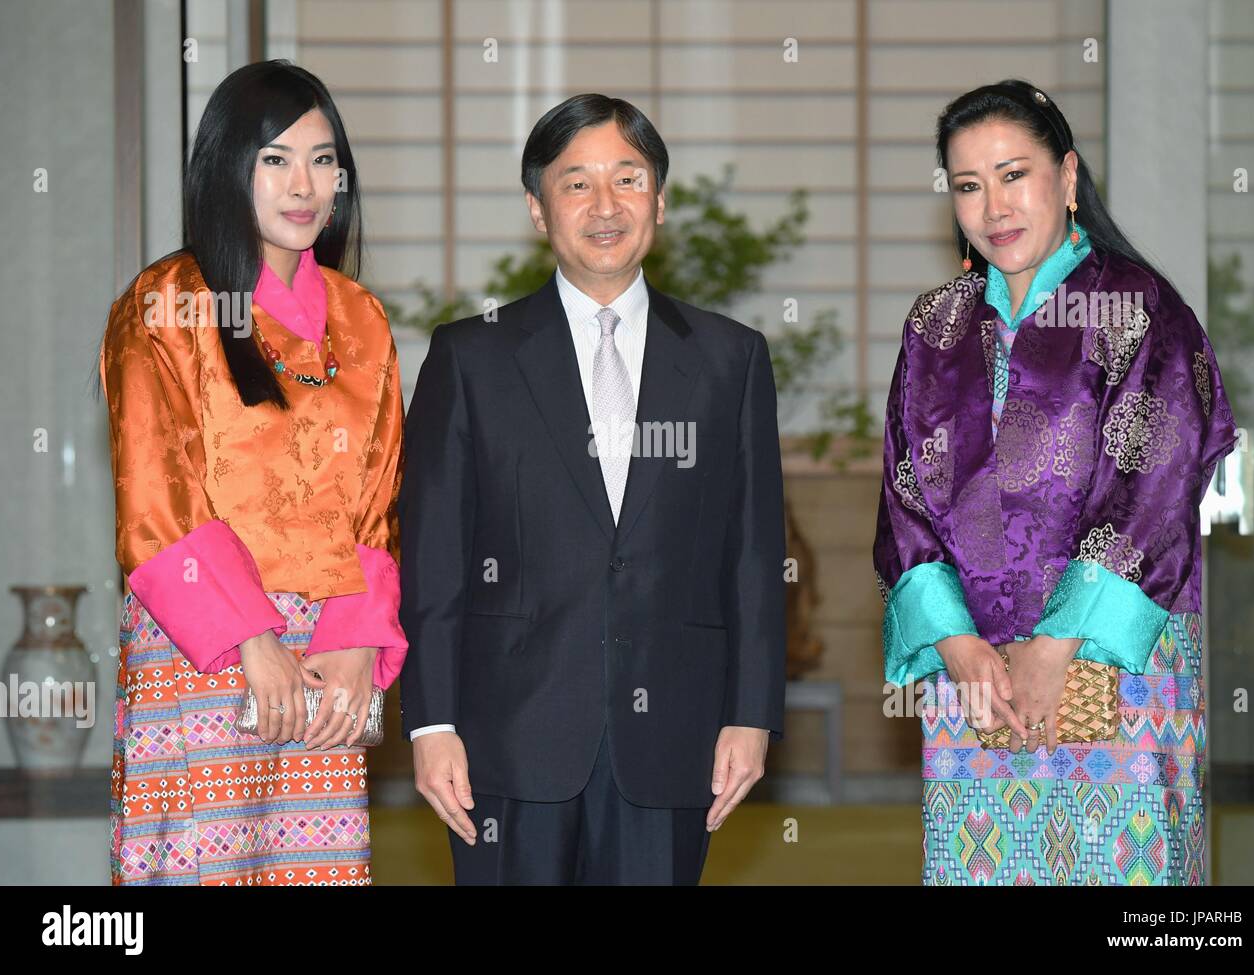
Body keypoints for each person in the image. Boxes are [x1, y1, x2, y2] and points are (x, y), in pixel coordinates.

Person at [398, 93, 787, 885]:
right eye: (576, 183)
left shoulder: (730, 359)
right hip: (505, 740)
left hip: (673, 737)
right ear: (538, 209)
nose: (605, 205)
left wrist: (751, 712)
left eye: (628, 179)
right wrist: (430, 721)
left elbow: (753, 555)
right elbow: (433, 558)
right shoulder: (472, 358)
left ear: (660, 201)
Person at [874, 79, 1241, 885]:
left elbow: (1153, 487)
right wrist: (957, 643)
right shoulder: (935, 325)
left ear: (1067, 176)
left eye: (1014, 175)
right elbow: (905, 496)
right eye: (969, 186)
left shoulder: (1137, 308)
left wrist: (1057, 641)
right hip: (975, 677)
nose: (994, 206)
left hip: (1118, 662)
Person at [102, 60, 407, 885]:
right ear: (228, 167)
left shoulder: (361, 317)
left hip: (325, 655)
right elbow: (156, 497)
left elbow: (376, 503)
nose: (303, 184)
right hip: (203, 642)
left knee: (317, 869)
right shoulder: (167, 302)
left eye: (322, 159)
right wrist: (251, 635)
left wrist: (356, 645)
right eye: (275, 159)